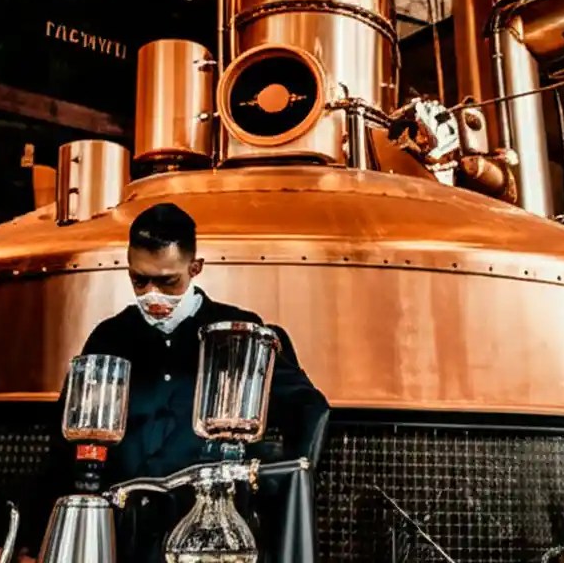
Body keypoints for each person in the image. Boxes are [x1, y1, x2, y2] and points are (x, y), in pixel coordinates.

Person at [16, 202, 329, 562]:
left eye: (167, 281)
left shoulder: (236, 332)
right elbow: (65, 447)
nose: (152, 295)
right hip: (123, 537)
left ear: (195, 268)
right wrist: (25, 542)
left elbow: (309, 408)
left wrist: (288, 490)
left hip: (211, 540)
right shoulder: (110, 337)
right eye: (139, 279)